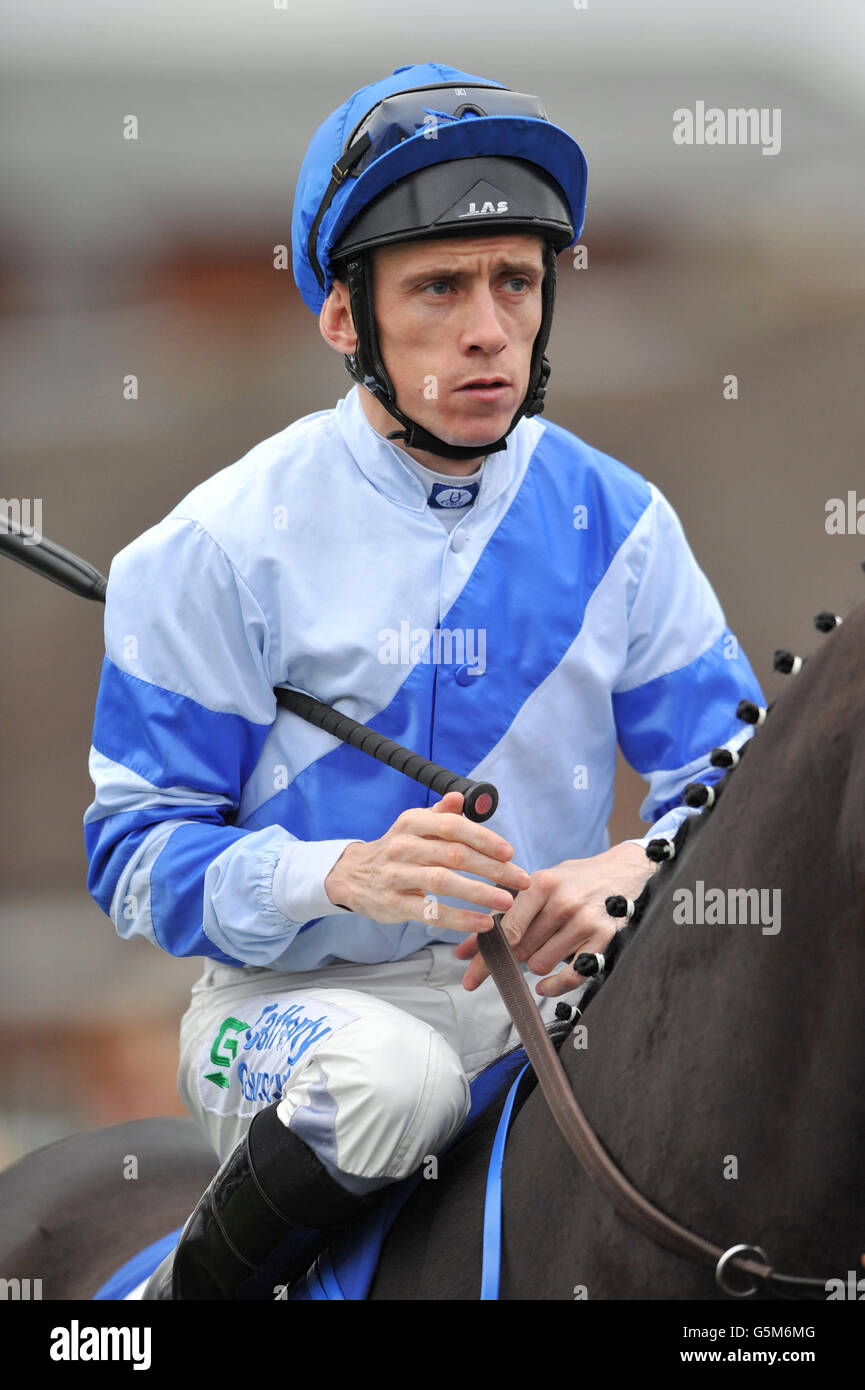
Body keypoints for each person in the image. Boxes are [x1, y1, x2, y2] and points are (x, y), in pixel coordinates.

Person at [84, 61, 765, 1299]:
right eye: (440, 286)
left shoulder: (621, 520)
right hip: (297, 1016)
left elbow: (737, 776)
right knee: (392, 1088)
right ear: (344, 316)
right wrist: (336, 872)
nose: (489, 328)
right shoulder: (212, 545)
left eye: (516, 280)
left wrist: (638, 864)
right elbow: (133, 858)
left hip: (551, 1006)